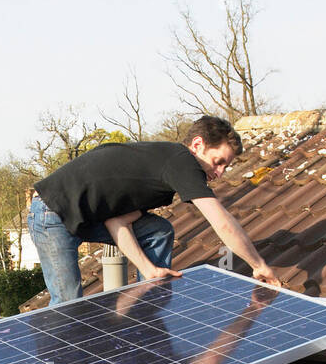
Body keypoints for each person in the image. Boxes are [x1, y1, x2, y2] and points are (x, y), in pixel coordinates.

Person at [27, 114, 281, 305]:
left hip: (86, 216)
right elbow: (222, 222)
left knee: (157, 230)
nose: (220, 172)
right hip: (52, 213)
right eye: (219, 162)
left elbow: (118, 224)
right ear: (198, 145)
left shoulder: (159, 177)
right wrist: (258, 264)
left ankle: (146, 309)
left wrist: (148, 269)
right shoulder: (181, 161)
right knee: (68, 305)